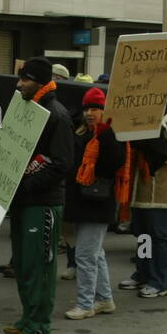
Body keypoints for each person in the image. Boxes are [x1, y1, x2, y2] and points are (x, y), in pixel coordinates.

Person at [3, 57, 73, 334]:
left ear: (41, 81)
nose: (19, 84)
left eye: (26, 80)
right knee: (24, 265)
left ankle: (39, 328)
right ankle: (28, 318)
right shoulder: (29, 110)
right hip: (25, 201)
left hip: (42, 203)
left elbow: (61, 164)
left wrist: (25, 187)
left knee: (40, 268)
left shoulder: (56, 114)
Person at [120, 79, 167, 299]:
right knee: (143, 236)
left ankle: (160, 280)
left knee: (160, 236)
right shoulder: (145, 119)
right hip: (141, 187)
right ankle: (143, 272)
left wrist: (157, 141)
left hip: (163, 191)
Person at [62, 85, 122, 319]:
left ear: (104, 110)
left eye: (95, 108)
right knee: (95, 254)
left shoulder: (110, 134)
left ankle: (85, 304)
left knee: (85, 256)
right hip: (86, 202)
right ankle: (105, 300)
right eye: (87, 108)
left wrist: (105, 135)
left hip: (98, 203)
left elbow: (113, 165)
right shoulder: (83, 133)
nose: (89, 113)